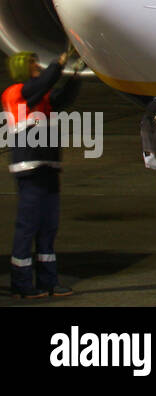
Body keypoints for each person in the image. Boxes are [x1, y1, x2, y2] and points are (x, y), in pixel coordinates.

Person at [4, 49, 78, 299]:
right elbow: (42, 84)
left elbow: (62, 98)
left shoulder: (39, 95)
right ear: (21, 68)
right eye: (32, 63)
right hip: (30, 168)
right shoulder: (15, 93)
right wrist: (59, 64)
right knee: (28, 226)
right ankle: (21, 284)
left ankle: (48, 281)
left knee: (48, 226)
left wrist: (75, 76)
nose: (37, 66)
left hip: (48, 166)